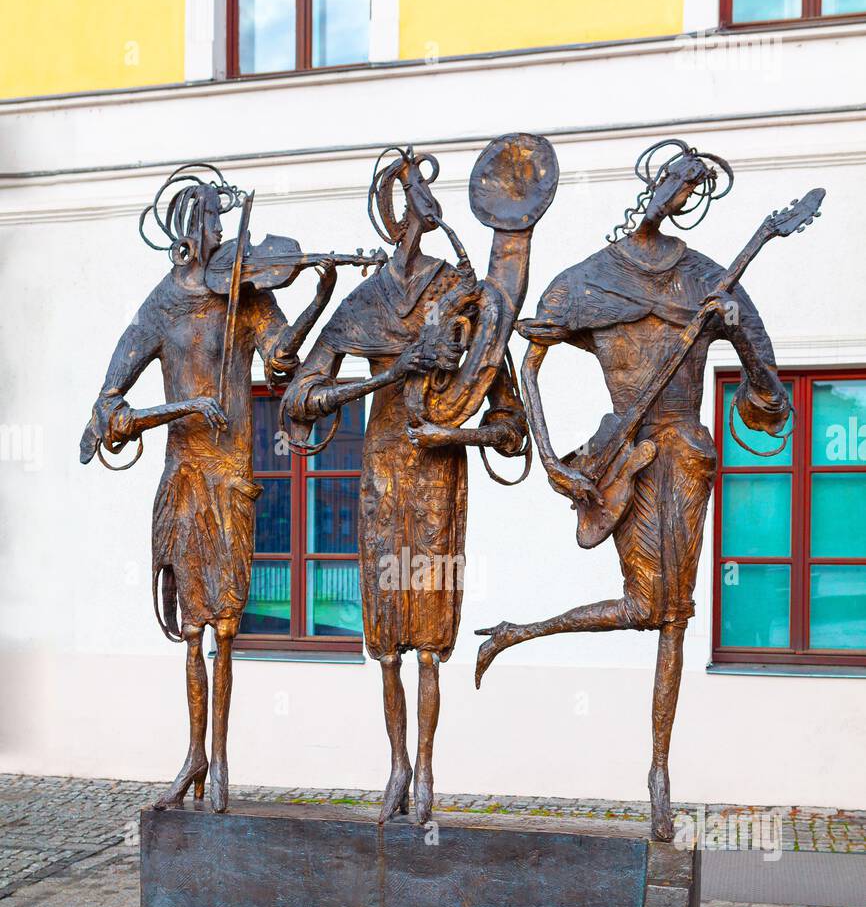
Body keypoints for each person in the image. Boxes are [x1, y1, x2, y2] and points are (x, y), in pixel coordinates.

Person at [476, 140, 791, 840]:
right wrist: (553, 457)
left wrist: (735, 332)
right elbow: (526, 358)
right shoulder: (590, 279)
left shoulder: (711, 280)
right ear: (654, 182)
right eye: (676, 182)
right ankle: (522, 632)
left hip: (685, 452)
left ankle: (658, 772)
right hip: (622, 456)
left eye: (692, 189)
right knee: (649, 605)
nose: (678, 197)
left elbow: (767, 393)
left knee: (669, 616)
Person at [282, 146, 528, 824]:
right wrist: (393, 371)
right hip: (384, 478)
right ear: (396, 210)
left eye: (430, 196)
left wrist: (481, 434)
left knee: (430, 641)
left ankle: (426, 774)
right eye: (416, 196)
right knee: (387, 640)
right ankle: (396, 766)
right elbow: (300, 400)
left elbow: (506, 413)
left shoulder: (462, 292)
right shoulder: (364, 303)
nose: (427, 209)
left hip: (439, 478)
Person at [80, 165, 335, 813]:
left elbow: (282, 363)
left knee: (227, 622)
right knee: (193, 628)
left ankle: (218, 759)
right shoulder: (161, 308)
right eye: (214, 224)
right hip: (185, 480)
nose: (223, 235)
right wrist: (185, 406)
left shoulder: (247, 297)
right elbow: (110, 411)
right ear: (189, 234)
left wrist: (315, 301)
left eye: (225, 222)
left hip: (232, 480)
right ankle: (195, 754)